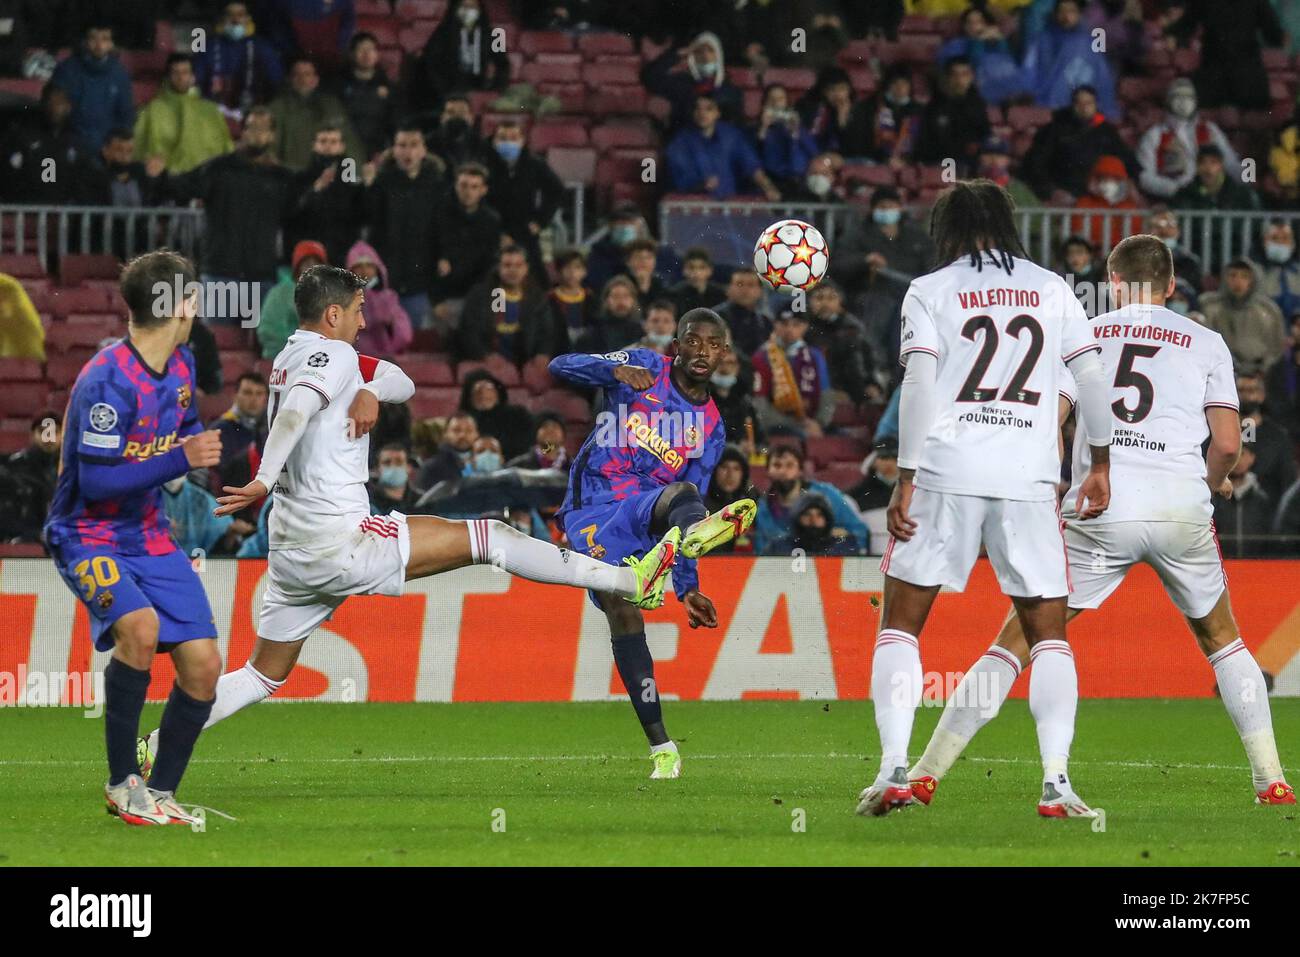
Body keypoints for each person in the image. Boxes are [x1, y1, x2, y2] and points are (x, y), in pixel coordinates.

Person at [158, 265, 680, 758]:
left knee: (262, 675)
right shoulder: (333, 357)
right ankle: (629, 582)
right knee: (492, 538)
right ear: (334, 315)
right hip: (340, 539)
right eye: (359, 309)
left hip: (292, 552)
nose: (366, 320)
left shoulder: (293, 355)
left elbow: (400, 381)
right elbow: (297, 410)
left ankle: (157, 742)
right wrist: (262, 478)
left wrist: (367, 390)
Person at [908, 232, 1293, 809]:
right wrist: (1209, 482)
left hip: (1099, 506)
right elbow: (1229, 442)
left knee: (1020, 640)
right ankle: (1272, 780)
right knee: (1223, 640)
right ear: (1170, 286)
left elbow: (1050, 421)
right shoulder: (1207, 340)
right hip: (1179, 508)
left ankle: (926, 772)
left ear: (1111, 283)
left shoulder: (1080, 335)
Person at [857, 180, 1115, 819]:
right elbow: (1088, 377)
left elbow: (918, 380)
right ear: (1007, 222)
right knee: (1048, 636)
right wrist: (1101, 461)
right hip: (1028, 474)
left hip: (945, 468)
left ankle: (894, 768)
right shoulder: (1053, 287)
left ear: (947, 226)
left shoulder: (930, 289)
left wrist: (905, 473)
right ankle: (1056, 783)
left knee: (902, 624)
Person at [43, 250, 226, 826]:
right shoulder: (106, 378)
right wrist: (180, 457)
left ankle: (160, 791)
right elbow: (95, 482)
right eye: (192, 297)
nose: (197, 306)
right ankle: (123, 783)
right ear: (176, 306)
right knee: (140, 630)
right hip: (86, 531)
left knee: (204, 665)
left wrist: (203, 445)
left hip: (147, 532)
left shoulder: (182, 364)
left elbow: (186, 424)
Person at [549, 309, 758, 778]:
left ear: (724, 354)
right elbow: (559, 365)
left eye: (712, 344)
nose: (702, 351)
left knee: (685, 497)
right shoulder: (643, 366)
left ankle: (676, 556)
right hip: (591, 509)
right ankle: (661, 745)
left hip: (648, 512)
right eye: (693, 341)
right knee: (623, 613)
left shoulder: (711, 426)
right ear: (677, 345)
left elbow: (691, 493)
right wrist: (611, 370)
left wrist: (689, 588)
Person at [163, 106, 297, 305]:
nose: (257, 134)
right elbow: (181, 188)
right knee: (217, 335)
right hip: (220, 273)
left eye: (263, 128)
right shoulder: (218, 169)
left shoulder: (282, 178)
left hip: (262, 276)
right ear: (243, 132)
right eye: (252, 127)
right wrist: (160, 175)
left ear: (272, 135)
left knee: (262, 335)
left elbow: (296, 213)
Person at [363, 123, 446, 331]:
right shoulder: (381, 183)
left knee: (416, 336)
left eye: (413, 145)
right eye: (402, 145)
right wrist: (368, 188)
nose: (407, 151)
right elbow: (369, 223)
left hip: (421, 279)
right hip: (387, 279)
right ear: (394, 150)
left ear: (423, 150)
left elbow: (442, 227)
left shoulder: (437, 184)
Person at [1022, 84, 1136, 202]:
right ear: (1073, 105)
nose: (1084, 108)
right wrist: (1051, 191)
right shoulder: (1054, 130)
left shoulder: (1107, 132)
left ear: (1096, 105)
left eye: (1088, 103)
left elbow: (1127, 162)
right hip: (1064, 197)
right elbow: (1035, 166)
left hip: (1101, 196)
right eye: (1079, 103)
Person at [485, 120, 565, 278]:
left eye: (513, 138)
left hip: (525, 229)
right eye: (502, 138)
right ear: (494, 141)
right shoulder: (483, 163)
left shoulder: (535, 164)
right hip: (490, 229)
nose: (508, 142)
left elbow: (556, 190)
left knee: (536, 278)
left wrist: (541, 220)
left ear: (522, 141)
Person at [752, 443, 866, 554]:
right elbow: (761, 551)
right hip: (784, 568)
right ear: (767, 471)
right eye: (777, 465)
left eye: (789, 465)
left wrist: (839, 536)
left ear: (800, 471)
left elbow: (861, 533)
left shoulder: (827, 495)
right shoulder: (763, 508)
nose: (782, 471)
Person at [1137, 78, 1239, 202]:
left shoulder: (1210, 130)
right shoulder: (1155, 135)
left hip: (1213, 198)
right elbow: (1144, 177)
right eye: (1178, 97)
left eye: (1188, 97)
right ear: (1168, 101)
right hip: (1174, 201)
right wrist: (1176, 189)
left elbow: (1231, 163)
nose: (1184, 102)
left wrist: (1247, 180)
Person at [666, 93, 780, 201]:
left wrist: (768, 187)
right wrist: (701, 185)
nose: (702, 113)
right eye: (698, 109)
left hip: (728, 210)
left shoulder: (731, 135)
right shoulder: (680, 142)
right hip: (693, 211)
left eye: (709, 109)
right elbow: (680, 181)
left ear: (717, 113)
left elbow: (752, 166)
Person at [133, 53, 234, 174]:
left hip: (209, 178)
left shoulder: (211, 110)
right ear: (169, 76)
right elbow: (138, 149)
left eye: (185, 72)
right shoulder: (152, 110)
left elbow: (227, 149)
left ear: (192, 76)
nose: (181, 77)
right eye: (176, 73)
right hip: (169, 180)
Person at [430, 162, 503, 327]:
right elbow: (429, 255)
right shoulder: (440, 214)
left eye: (474, 186)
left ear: (483, 190)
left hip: (476, 298)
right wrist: (436, 300)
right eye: (463, 185)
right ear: (456, 186)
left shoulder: (491, 220)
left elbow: (490, 263)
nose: (468, 192)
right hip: (444, 298)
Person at [457, 244, 552, 366]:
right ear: (498, 267)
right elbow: (468, 332)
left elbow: (547, 333)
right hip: (486, 363)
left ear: (526, 268)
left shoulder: (537, 298)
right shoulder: (480, 295)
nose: (513, 270)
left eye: (518, 265)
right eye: (507, 265)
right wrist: (484, 355)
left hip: (525, 363)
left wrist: (542, 353)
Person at [1023, 0, 1119, 119]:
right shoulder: (1042, 40)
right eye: (1062, 11)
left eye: (1071, 11)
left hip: (1087, 101)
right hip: (1050, 101)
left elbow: (1102, 75)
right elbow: (1029, 71)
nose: (1066, 16)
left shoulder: (1089, 42)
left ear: (1079, 15)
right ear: (1055, 14)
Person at [50, 23, 134, 154]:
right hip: (71, 146)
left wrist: (115, 146)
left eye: (105, 39)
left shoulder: (120, 73)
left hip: (106, 149)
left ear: (112, 44)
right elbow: (54, 109)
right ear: (85, 41)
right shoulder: (67, 69)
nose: (99, 45)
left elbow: (126, 115)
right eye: (94, 38)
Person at [412, 0, 509, 111]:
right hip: (448, 91)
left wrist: (493, 89)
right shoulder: (442, 32)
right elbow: (431, 62)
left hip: (478, 88)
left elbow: (503, 64)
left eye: (472, 6)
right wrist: (444, 89)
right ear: (456, 8)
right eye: (464, 6)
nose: (468, 10)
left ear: (480, 9)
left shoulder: (495, 34)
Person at [751, 310, 834, 439]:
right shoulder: (762, 357)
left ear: (805, 327)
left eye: (796, 325)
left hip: (813, 424)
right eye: (784, 324)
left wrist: (819, 423)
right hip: (776, 426)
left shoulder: (815, 356)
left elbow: (826, 396)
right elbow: (760, 402)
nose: (789, 329)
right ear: (775, 325)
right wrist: (795, 425)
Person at [194, 2, 285, 119]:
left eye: (240, 14)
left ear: (248, 18)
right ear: (223, 18)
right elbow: (196, 80)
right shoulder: (207, 46)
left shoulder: (262, 47)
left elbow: (276, 81)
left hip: (251, 114)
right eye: (230, 14)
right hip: (212, 113)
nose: (235, 19)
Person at [269, 57, 360, 173]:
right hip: (290, 178)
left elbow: (350, 143)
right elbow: (270, 151)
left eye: (307, 74)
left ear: (316, 79)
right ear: (290, 79)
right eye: (297, 75)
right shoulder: (277, 108)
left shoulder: (332, 106)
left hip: (328, 178)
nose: (302, 79)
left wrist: (354, 177)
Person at [640, 31, 742, 132]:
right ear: (692, 56)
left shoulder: (732, 92)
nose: (705, 56)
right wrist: (677, 54)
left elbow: (735, 128)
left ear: (718, 55)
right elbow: (649, 78)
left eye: (710, 51)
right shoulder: (681, 83)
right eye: (699, 51)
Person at [1199, 259, 1286, 374]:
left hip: (1261, 375)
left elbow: (1277, 346)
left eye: (1245, 276)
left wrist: (1264, 368)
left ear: (1253, 280)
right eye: (1232, 275)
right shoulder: (1209, 306)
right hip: (1219, 373)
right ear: (1224, 278)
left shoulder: (1268, 310)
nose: (1238, 281)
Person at [912, 55, 990, 174]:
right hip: (940, 166)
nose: (960, 80)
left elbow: (984, 137)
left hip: (971, 167)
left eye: (965, 74)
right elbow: (925, 145)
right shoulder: (933, 108)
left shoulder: (978, 106)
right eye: (955, 75)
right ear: (947, 77)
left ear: (972, 77)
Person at [937, 6, 1027, 105]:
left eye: (979, 22)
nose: (974, 26)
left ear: (987, 25)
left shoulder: (996, 44)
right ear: (964, 25)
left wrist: (1000, 40)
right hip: (973, 92)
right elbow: (962, 69)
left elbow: (1009, 66)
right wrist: (978, 41)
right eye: (969, 22)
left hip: (1006, 90)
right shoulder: (955, 45)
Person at [258, 240, 328, 359]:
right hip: (284, 358)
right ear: (297, 267)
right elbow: (268, 331)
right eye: (307, 263)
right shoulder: (279, 294)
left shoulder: (331, 294)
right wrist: (301, 349)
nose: (312, 268)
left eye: (317, 264)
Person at [808, 280, 875, 403]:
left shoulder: (852, 329)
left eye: (830, 298)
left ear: (840, 302)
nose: (825, 303)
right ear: (810, 302)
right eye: (819, 298)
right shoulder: (804, 330)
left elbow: (866, 362)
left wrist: (871, 384)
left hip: (852, 394)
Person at [1236, 371, 1298, 502]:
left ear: (1261, 395)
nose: (1245, 396)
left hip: (1268, 514)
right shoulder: (1218, 432)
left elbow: (1288, 482)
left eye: (1251, 390)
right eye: (1240, 390)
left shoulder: (1279, 438)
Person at [332, 32, 395, 159]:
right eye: (361, 49)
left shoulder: (389, 87)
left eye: (371, 50)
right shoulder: (336, 85)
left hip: (379, 153)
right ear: (351, 54)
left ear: (377, 54)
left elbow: (395, 122)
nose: (366, 54)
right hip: (345, 152)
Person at [2, 410, 61, 543]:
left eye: (55, 432)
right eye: (42, 431)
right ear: (32, 435)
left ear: (63, 435)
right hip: (22, 542)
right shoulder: (12, 468)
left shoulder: (73, 469)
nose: (49, 437)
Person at [347, 241, 413, 358]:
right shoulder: (344, 300)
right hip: (354, 358)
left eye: (369, 266)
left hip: (385, 358)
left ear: (377, 269)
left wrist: (390, 325)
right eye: (359, 267)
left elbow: (404, 335)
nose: (364, 271)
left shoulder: (389, 298)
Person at [162, 474, 252, 557]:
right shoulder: (150, 496)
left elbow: (223, 532)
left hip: (201, 564)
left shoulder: (201, 499)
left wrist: (231, 532)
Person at [752, 83, 819, 193]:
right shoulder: (755, 129)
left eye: (780, 99)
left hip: (798, 181)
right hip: (769, 182)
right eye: (771, 99)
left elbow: (814, 153)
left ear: (787, 102)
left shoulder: (799, 128)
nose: (776, 103)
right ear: (764, 103)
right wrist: (763, 128)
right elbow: (751, 157)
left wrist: (795, 133)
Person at [1070, 154, 1142, 253]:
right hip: (1091, 255)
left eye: (1114, 179)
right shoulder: (1084, 204)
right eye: (1103, 179)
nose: (1107, 184)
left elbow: (1136, 237)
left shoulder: (1130, 207)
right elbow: (1077, 233)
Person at [459, 368, 534, 461]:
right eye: (478, 391)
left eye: (488, 389)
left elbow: (543, 448)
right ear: (469, 398)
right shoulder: (462, 422)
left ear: (498, 393)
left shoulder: (519, 415)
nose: (484, 395)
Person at [861, 65, 919, 168]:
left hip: (909, 163)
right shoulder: (872, 106)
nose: (900, 88)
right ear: (888, 85)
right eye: (895, 83)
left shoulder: (918, 110)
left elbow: (921, 142)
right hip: (877, 162)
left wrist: (906, 161)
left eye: (904, 84)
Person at [703, 445, 758, 553]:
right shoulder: (700, 505)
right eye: (724, 467)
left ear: (743, 474)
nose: (730, 474)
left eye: (736, 468)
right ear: (714, 471)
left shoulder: (754, 504)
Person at [771, 493, 860, 556]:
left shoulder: (843, 546)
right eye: (807, 514)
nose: (813, 520)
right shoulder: (778, 547)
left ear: (827, 519)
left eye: (819, 515)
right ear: (797, 518)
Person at [575, 276, 645, 356]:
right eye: (615, 296)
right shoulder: (592, 335)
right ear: (607, 300)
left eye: (626, 296)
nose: (621, 301)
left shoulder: (642, 333)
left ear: (633, 300)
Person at [709, 347, 762, 450]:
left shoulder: (745, 403)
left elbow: (761, 442)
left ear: (737, 368)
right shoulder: (698, 400)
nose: (725, 368)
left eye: (730, 363)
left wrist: (753, 447)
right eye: (720, 362)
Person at [712, 267, 772, 358]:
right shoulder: (714, 318)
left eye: (751, 285)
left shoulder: (765, 322)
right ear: (728, 289)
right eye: (739, 284)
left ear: (760, 291)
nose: (745, 290)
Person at [548, 248, 597, 352]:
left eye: (577, 267)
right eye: (567, 267)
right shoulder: (549, 299)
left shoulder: (591, 298)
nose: (572, 272)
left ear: (584, 271)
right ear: (559, 270)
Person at [415, 411, 478, 491]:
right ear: (445, 434)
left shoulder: (486, 462)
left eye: (469, 430)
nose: (462, 435)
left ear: (477, 434)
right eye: (456, 430)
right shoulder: (431, 468)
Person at [1147, 205, 1204, 290]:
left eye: (1169, 225)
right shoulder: (1136, 259)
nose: (1164, 231)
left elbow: (1191, 291)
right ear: (1149, 231)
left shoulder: (1189, 261)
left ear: (1177, 231)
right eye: (1158, 227)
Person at [1258, 219, 1300, 320]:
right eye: (1274, 238)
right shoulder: (1254, 274)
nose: (1280, 243)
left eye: (1285, 238)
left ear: (1293, 243)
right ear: (1264, 242)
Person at [668, 247, 728, 317]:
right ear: (684, 270)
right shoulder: (674, 295)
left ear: (710, 270)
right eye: (691, 267)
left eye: (701, 267)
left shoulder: (720, 295)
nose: (696, 272)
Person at [369, 442, 420, 515]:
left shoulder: (420, 502)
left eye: (399, 462)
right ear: (377, 469)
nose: (393, 467)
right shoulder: (368, 504)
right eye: (387, 463)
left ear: (409, 467)